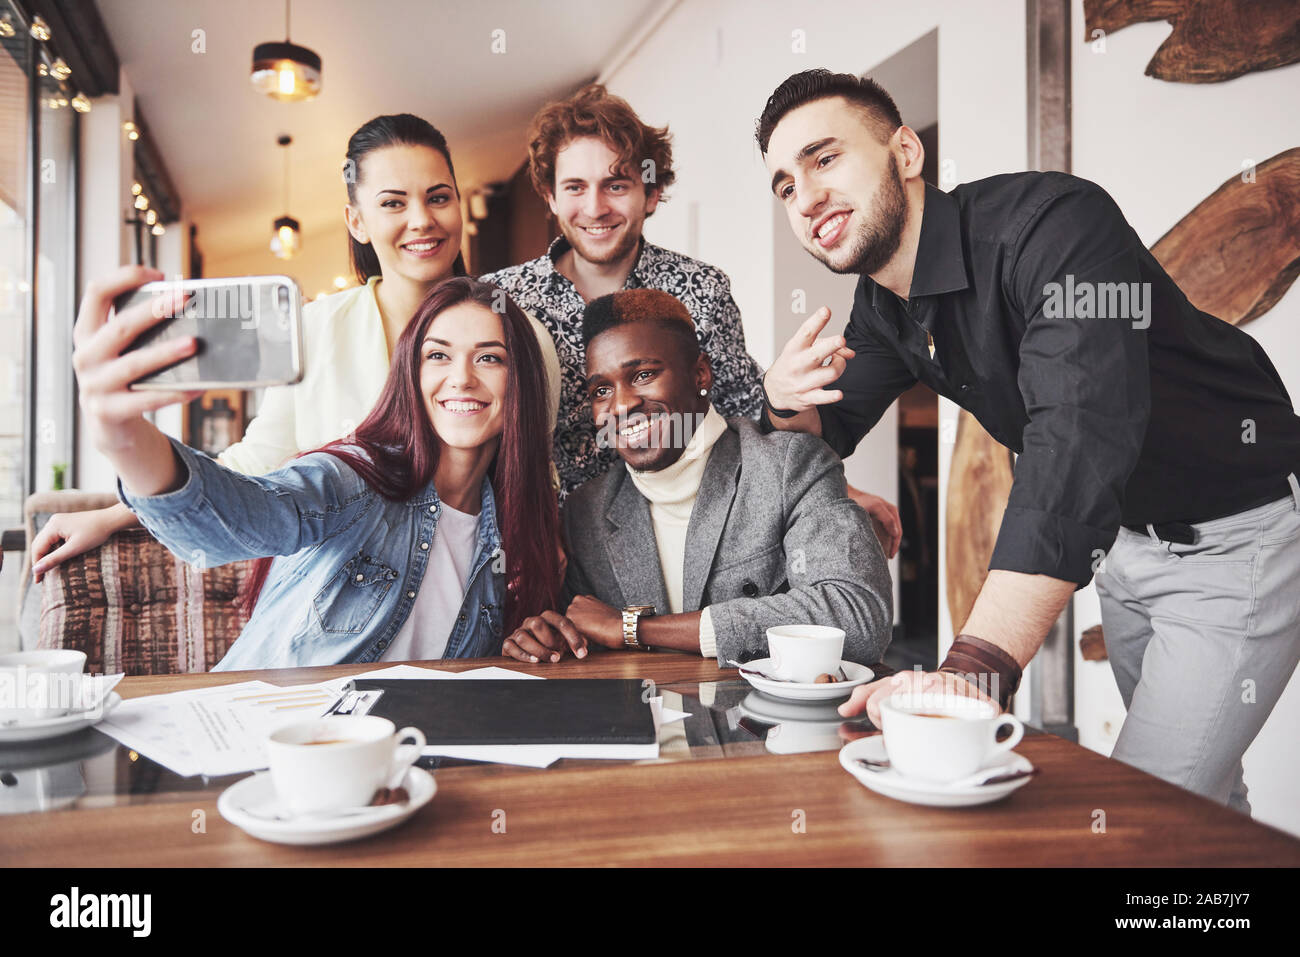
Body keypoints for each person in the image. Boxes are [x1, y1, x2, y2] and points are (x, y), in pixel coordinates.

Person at [756, 68, 1300, 813]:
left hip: (1237, 535)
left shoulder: (1056, 225)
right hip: (1125, 546)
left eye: (824, 159)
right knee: (1205, 803)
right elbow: (831, 429)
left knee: (1144, 810)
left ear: (906, 153)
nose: (806, 197)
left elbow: (1077, 440)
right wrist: (782, 400)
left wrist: (973, 668)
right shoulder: (882, 307)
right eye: (784, 185)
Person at [31, 113, 560, 579]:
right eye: (393, 202)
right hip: (336, 600)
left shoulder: (520, 336)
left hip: (469, 595)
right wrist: (115, 510)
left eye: (438, 197)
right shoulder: (313, 330)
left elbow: (535, 479)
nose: (421, 219)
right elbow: (258, 466)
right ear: (356, 221)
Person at [480, 83, 900, 556]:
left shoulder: (701, 288)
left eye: (616, 185)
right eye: (575, 187)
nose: (595, 207)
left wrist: (834, 487)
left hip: (676, 540)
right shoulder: (503, 299)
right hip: (537, 546)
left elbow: (748, 414)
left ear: (652, 194)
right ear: (551, 197)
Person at [73, 271, 560, 668]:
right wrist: (123, 435)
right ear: (410, 374)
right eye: (438, 355)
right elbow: (241, 518)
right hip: (261, 747)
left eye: (490, 358)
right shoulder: (355, 477)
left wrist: (529, 639)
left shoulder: (517, 533)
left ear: (521, 382)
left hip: (397, 766)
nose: (461, 378)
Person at [500, 288, 892, 667]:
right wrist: (553, 639)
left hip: (767, 728)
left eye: (643, 375)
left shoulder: (789, 466)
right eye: (602, 390)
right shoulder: (588, 510)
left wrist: (636, 629)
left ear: (700, 374)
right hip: (648, 728)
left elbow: (858, 617)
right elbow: (589, 636)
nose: (621, 406)